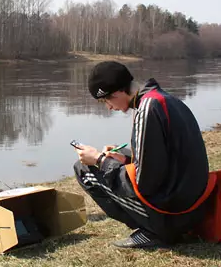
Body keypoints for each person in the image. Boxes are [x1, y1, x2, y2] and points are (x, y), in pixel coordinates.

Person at [73, 61, 210, 248]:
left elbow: (142, 184)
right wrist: (127, 159)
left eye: (106, 101)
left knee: (84, 169)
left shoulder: (147, 109)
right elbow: (167, 161)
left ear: (119, 92)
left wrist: (99, 160)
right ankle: (158, 227)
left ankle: (154, 231)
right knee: (114, 161)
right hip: (193, 207)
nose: (109, 108)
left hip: (173, 214)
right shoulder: (164, 99)